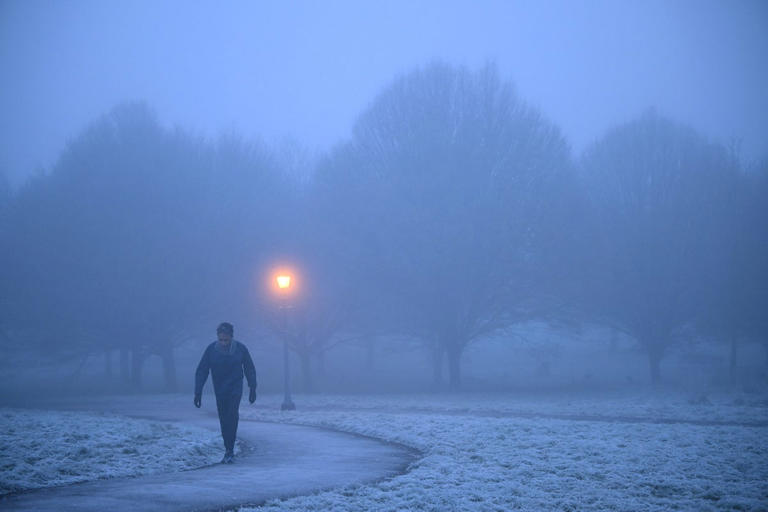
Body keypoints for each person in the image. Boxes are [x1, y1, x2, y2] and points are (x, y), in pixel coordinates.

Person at [194, 322, 257, 463]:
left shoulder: (240, 349)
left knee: (232, 415)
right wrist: (198, 391)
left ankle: (230, 450)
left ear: (231, 337)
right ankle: (228, 449)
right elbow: (202, 370)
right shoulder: (211, 350)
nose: (223, 343)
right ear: (218, 337)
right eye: (221, 340)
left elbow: (249, 368)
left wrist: (252, 387)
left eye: (226, 340)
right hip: (220, 389)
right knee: (224, 419)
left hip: (235, 387)